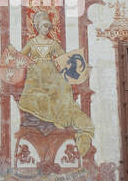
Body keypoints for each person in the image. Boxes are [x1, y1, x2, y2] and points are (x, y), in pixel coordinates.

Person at [16, 11, 93, 158]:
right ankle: (41, 118)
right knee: (36, 96)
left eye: (48, 26)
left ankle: (56, 118)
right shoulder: (31, 43)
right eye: (44, 26)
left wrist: (79, 67)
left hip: (51, 75)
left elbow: (64, 58)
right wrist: (25, 62)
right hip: (35, 77)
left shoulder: (53, 43)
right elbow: (21, 56)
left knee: (60, 90)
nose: (46, 29)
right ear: (38, 27)